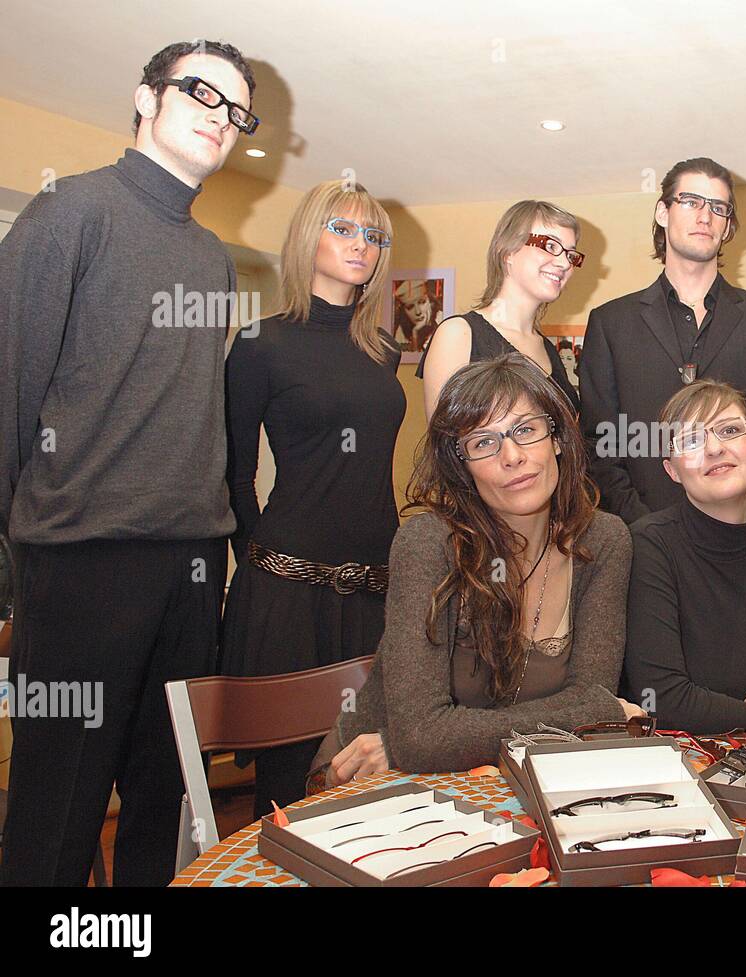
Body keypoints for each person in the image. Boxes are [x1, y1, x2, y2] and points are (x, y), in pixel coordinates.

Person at [0, 40, 256, 886]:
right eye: (201, 93)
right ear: (144, 98)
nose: (221, 118)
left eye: (237, 111)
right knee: (58, 813)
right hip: (80, 562)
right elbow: (10, 391)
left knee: (164, 802)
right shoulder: (71, 210)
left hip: (190, 566)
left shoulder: (213, 255)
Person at [316, 354, 639, 783]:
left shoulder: (604, 540)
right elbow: (421, 739)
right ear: (461, 465)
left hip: (511, 780)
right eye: (483, 442)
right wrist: (592, 712)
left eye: (525, 430)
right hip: (370, 779)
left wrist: (590, 710)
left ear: (557, 438)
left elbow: (590, 701)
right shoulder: (428, 543)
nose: (512, 457)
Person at [221, 180, 404, 817]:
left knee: (369, 779)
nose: (364, 246)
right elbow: (234, 476)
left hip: (377, 591)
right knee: (284, 789)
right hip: (287, 593)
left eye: (375, 236)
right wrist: (262, 570)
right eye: (345, 229)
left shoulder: (385, 349)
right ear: (308, 237)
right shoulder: (258, 343)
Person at [579, 157, 746, 524]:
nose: (705, 216)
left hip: (741, 539)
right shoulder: (610, 324)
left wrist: (742, 519)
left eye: (718, 207)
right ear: (662, 212)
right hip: (640, 542)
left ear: (728, 226)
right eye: (691, 201)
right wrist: (642, 529)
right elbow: (600, 444)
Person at [623, 380, 746, 734]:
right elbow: (663, 698)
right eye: (692, 440)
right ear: (672, 470)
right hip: (676, 756)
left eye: (729, 430)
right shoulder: (648, 546)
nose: (714, 448)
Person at [417, 201, 582, 420]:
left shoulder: (548, 349)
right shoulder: (459, 334)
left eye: (570, 255)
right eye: (551, 246)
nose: (564, 263)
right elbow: (443, 444)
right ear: (508, 252)